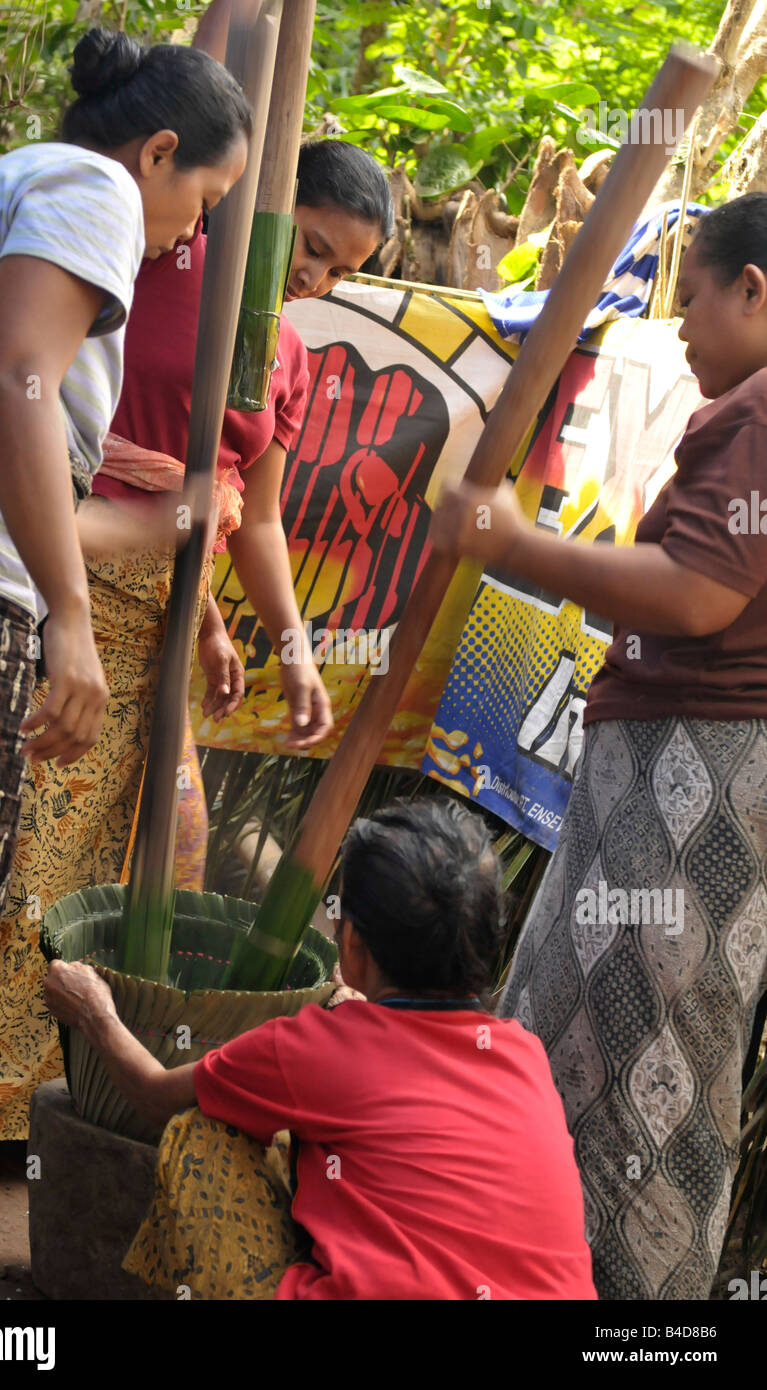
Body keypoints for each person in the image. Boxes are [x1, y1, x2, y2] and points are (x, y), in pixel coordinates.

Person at [0, 136, 394, 1199]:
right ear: (259, 212)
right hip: (62, 575)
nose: (315, 280)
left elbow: (253, 513)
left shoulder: (276, 352)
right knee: (11, 843)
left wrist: (280, 644)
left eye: (338, 271)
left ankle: (43, 1098)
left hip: (168, 621)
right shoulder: (150, 257)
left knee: (158, 852)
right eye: (310, 249)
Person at [0, 25, 252, 1239]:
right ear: (158, 152)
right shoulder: (92, 184)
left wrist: (159, 526)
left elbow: (9, 453)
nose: (193, 238)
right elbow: (12, 384)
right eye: (202, 199)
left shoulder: (40, 185)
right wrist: (67, 618)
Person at [430, 192, 767, 1300]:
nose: (677, 329)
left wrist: (513, 541)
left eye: (692, 300)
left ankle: (603, 1295)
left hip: (693, 772)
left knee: (634, 1051)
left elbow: (699, 593)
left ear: (752, 290)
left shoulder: (758, 413)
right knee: (629, 1041)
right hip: (704, 768)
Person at [45, 798, 597, 1300]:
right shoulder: (523, 1055)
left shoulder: (316, 1048)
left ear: (351, 944)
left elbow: (153, 1094)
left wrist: (95, 1010)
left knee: (203, 1133)